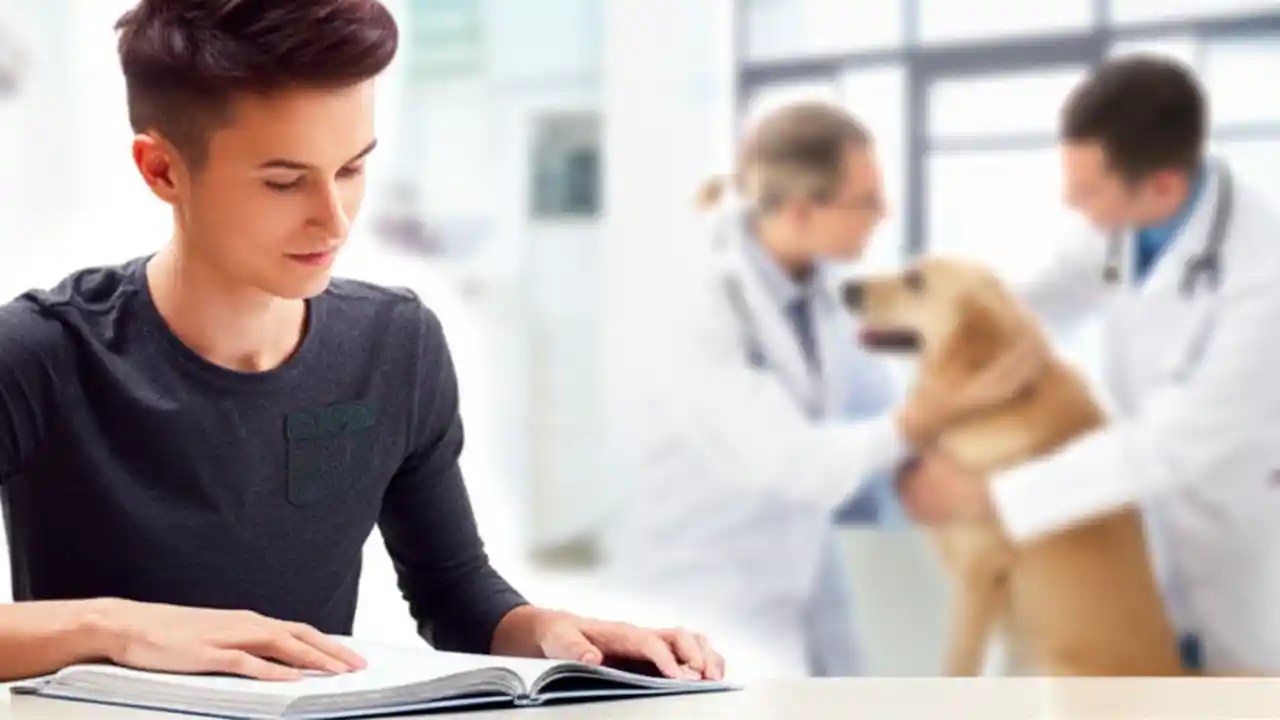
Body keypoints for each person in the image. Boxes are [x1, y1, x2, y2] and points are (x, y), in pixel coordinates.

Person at [0, 0, 723, 683]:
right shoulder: (39, 353)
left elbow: (455, 593)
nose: (335, 220)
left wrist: (559, 635)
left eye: (352, 168)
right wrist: (112, 631)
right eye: (285, 182)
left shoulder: (394, 345)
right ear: (162, 170)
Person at [603, 102, 1042, 678]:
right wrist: (928, 420)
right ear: (803, 212)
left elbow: (875, 417)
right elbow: (793, 461)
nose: (883, 215)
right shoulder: (695, 301)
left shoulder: (823, 294)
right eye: (866, 201)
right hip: (704, 597)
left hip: (798, 585)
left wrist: (954, 466)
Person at [900, 56, 1280, 674]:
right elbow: (1034, 301)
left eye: (1086, 189)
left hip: (1244, 551)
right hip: (1142, 533)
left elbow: (1172, 445)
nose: (1069, 201)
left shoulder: (1264, 274)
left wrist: (987, 493)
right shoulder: (1117, 225)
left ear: (1162, 187)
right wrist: (962, 337)